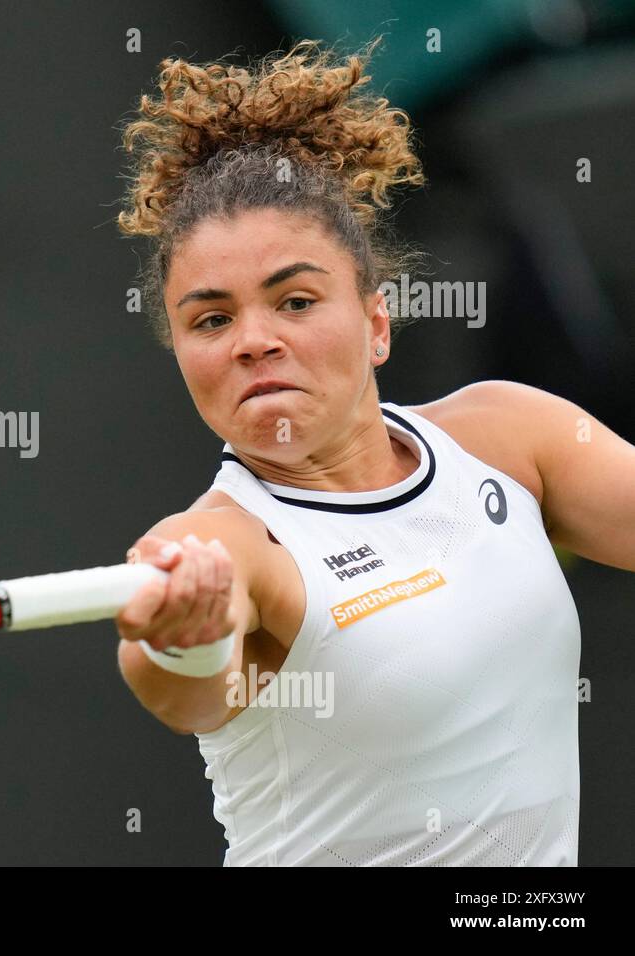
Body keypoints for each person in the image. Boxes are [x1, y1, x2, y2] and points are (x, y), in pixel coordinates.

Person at [112, 38, 635, 865]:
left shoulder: (510, 436)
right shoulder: (221, 545)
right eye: (211, 320)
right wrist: (186, 633)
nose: (254, 340)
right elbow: (184, 692)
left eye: (295, 299)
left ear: (377, 323)